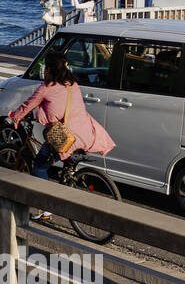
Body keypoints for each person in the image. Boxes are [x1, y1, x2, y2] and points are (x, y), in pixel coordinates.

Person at [9, 52, 116, 187]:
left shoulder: (46, 88)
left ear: (49, 69)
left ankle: (45, 200)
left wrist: (15, 116)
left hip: (65, 137)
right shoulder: (72, 85)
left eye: (46, 67)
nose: (44, 70)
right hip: (86, 133)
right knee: (64, 165)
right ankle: (69, 181)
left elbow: (27, 106)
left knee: (39, 167)